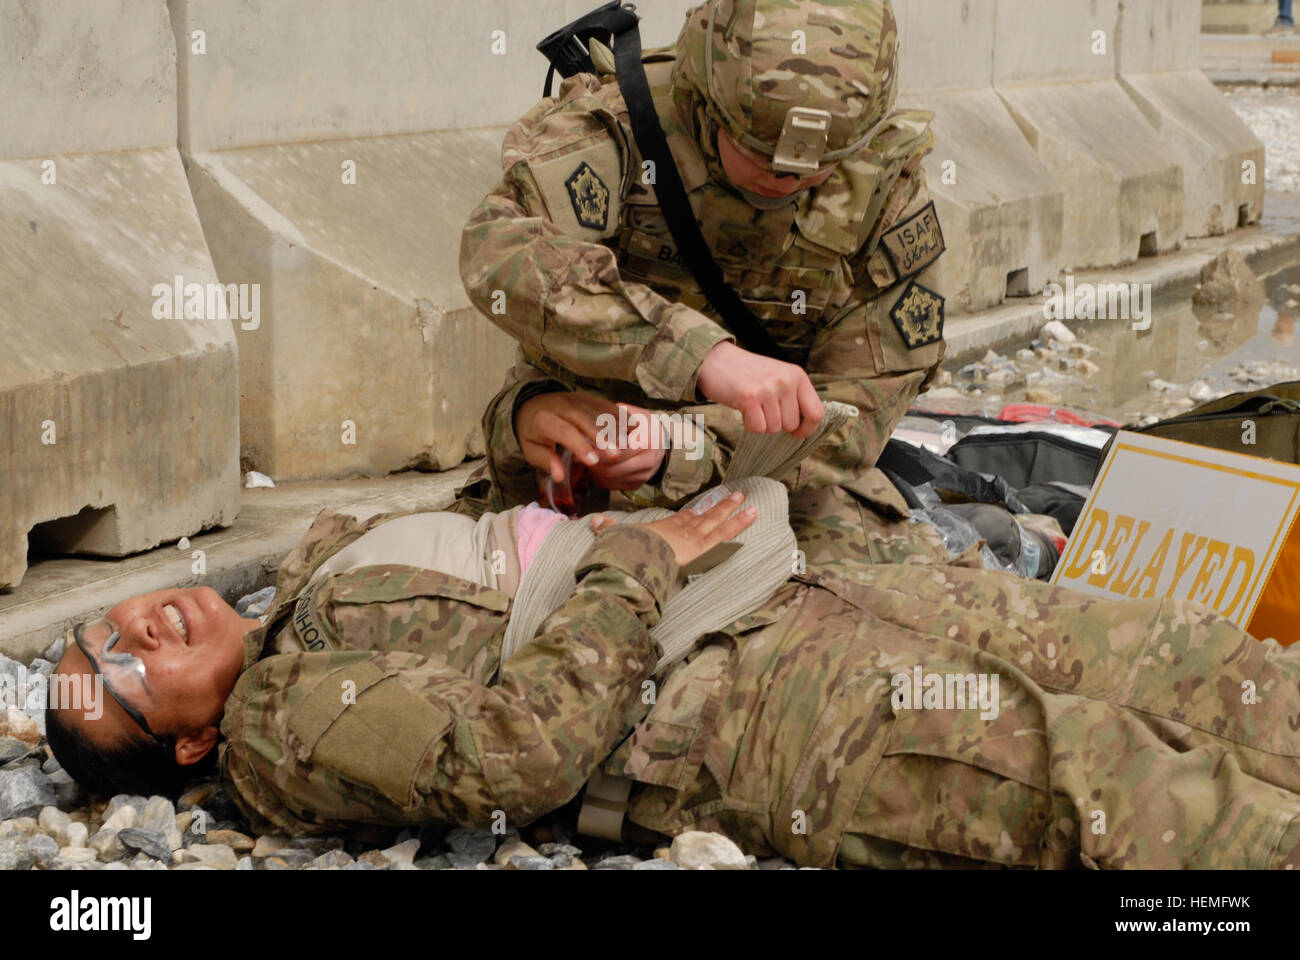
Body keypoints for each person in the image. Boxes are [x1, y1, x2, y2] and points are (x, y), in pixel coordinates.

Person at [44, 487, 1300, 868]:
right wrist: (637, 563)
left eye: (100, 630)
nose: (130, 633)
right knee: (1135, 803)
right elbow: (514, 754)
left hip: (804, 591)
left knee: (1219, 675)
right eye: (119, 677)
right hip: (759, 719)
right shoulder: (280, 721)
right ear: (191, 748)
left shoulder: (313, 578)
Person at [458, 0, 951, 570]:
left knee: (864, 598)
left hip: (763, 480)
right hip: (579, 458)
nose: (784, 178)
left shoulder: (882, 188)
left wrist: (678, 449)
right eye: (758, 153)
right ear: (705, 98)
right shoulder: (622, 127)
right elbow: (498, 249)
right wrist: (694, 354)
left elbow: (856, 417)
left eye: (817, 167)